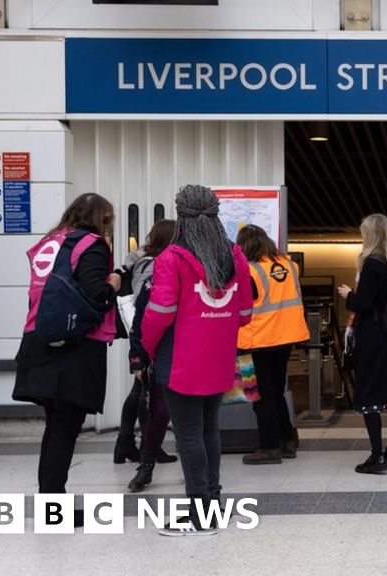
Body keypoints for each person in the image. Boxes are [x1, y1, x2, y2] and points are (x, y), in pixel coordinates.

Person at [139, 185, 252, 536]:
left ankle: (199, 514)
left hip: (180, 358)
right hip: (219, 356)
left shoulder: (171, 258)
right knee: (209, 429)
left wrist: (146, 346)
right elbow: (245, 313)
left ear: (181, 216)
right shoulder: (235, 256)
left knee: (188, 432)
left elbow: (160, 312)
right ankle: (213, 504)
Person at [12, 192, 121, 528]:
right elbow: (97, 294)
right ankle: (52, 509)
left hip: (38, 339)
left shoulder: (52, 242)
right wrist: (115, 282)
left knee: (56, 425)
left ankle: (50, 503)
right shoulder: (91, 244)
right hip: (73, 347)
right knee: (65, 427)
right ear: (101, 219)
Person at [336, 214, 387, 474]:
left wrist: (349, 295)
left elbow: (364, 305)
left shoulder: (372, 263)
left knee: (370, 392)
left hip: (375, 338)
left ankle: (377, 456)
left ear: (369, 235)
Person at [235, 224, 309, 465]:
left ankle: (269, 447)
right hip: (285, 338)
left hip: (257, 340)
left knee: (260, 396)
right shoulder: (289, 265)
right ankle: (288, 440)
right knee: (276, 391)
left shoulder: (250, 271)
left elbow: (242, 305)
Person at [124, 219, 178, 492]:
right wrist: (138, 357)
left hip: (190, 353)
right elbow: (142, 320)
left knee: (196, 419)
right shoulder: (155, 275)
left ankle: (200, 475)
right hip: (164, 353)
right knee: (159, 412)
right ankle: (146, 466)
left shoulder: (199, 271)